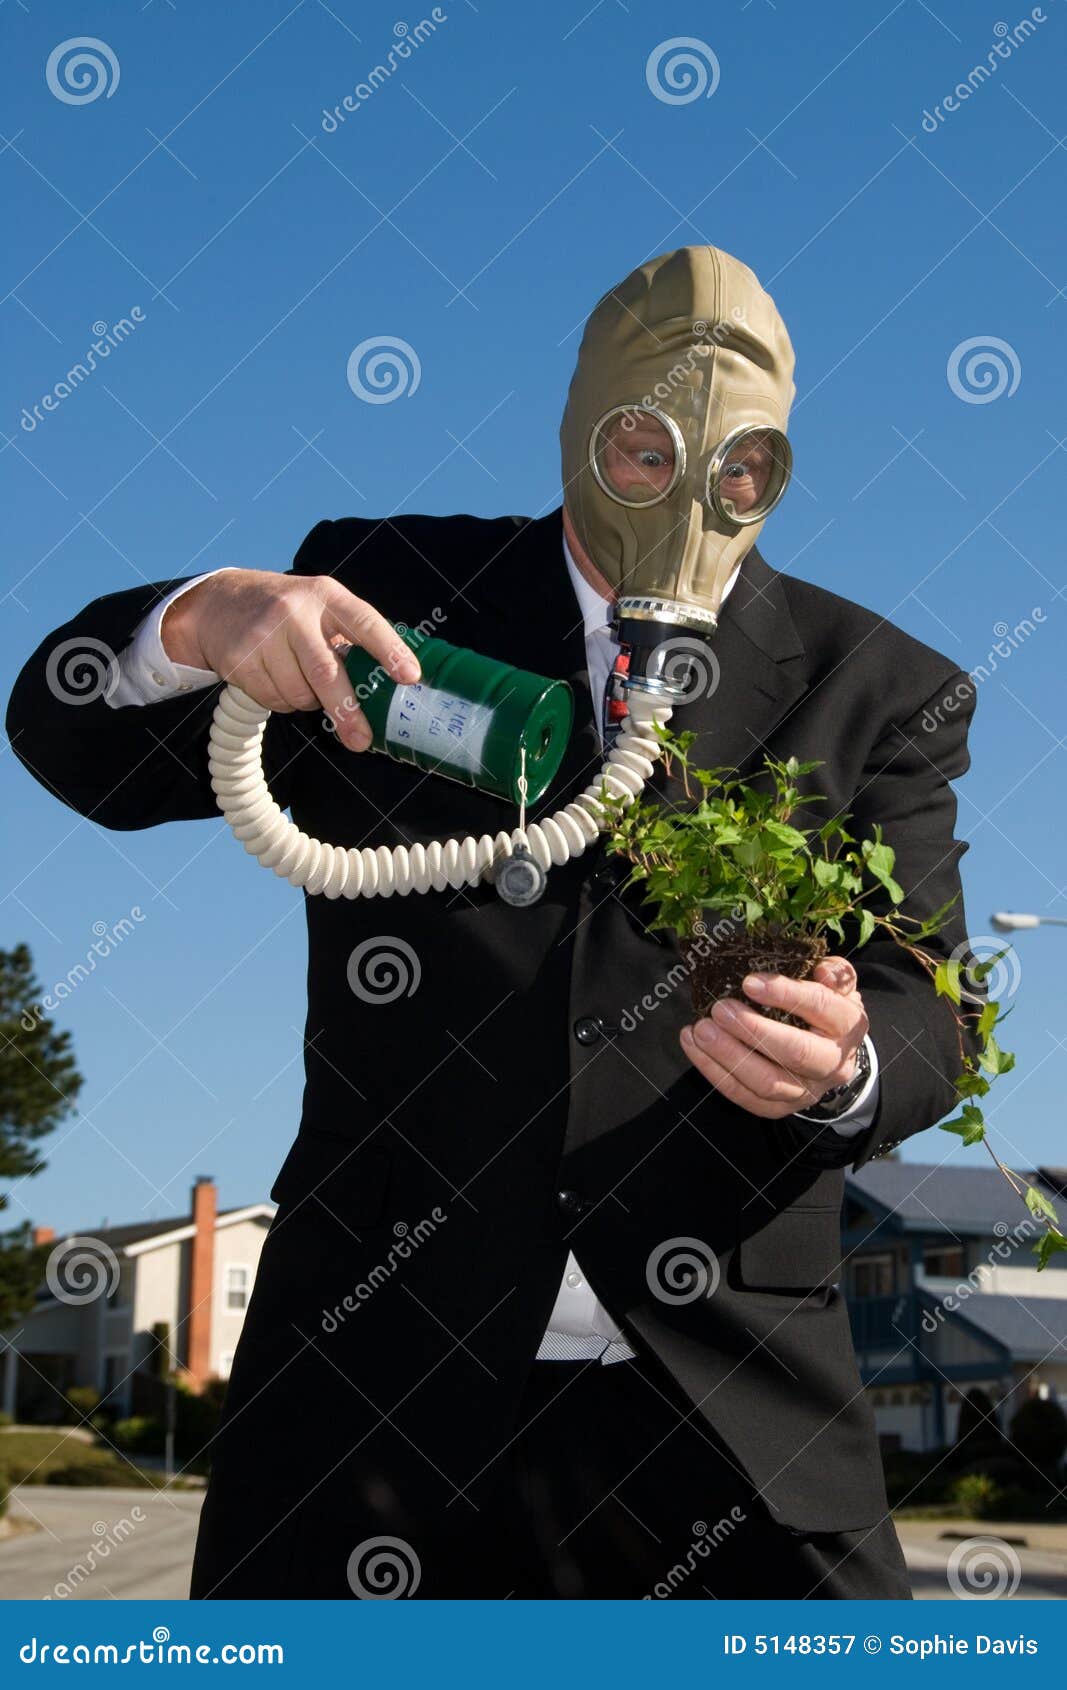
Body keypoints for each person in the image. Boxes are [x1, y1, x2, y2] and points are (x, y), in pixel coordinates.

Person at [7, 245, 977, 1599]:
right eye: (645, 450)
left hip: (729, 1428)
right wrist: (195, 621)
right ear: (584, 429)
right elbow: (71, 742)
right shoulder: (377, 593)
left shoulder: (877, 685)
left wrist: (851, 1058)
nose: (690, 493)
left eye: (737, 468)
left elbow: (936, 1002)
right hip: (377, 1410)